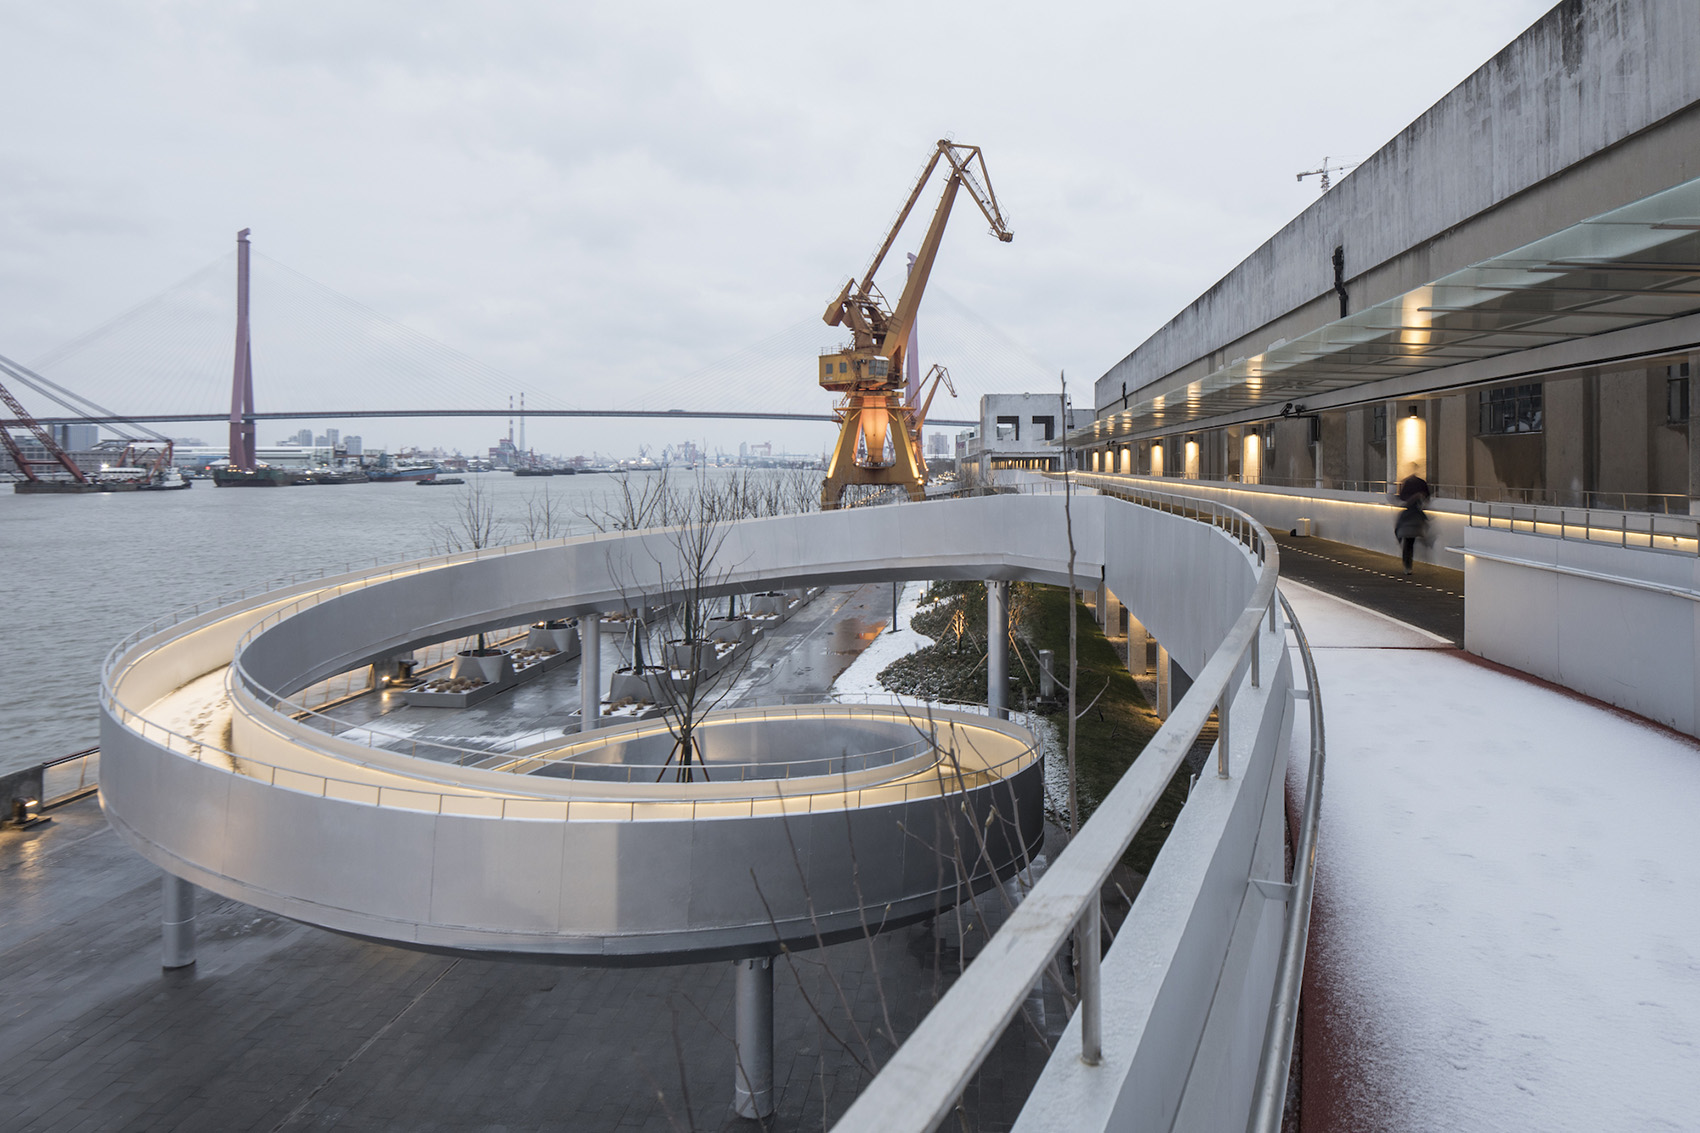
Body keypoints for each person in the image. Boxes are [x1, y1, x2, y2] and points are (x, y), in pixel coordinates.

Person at [1394, 465, 1431, 575]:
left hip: (1409, 515)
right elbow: (1427, 496)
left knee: (1407, 543)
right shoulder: (1421, 483)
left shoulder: (1407, 482)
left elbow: (1402, 498)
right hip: (1416, 515)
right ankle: (1408, 564)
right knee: (1411, 542)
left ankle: (1407, 565)